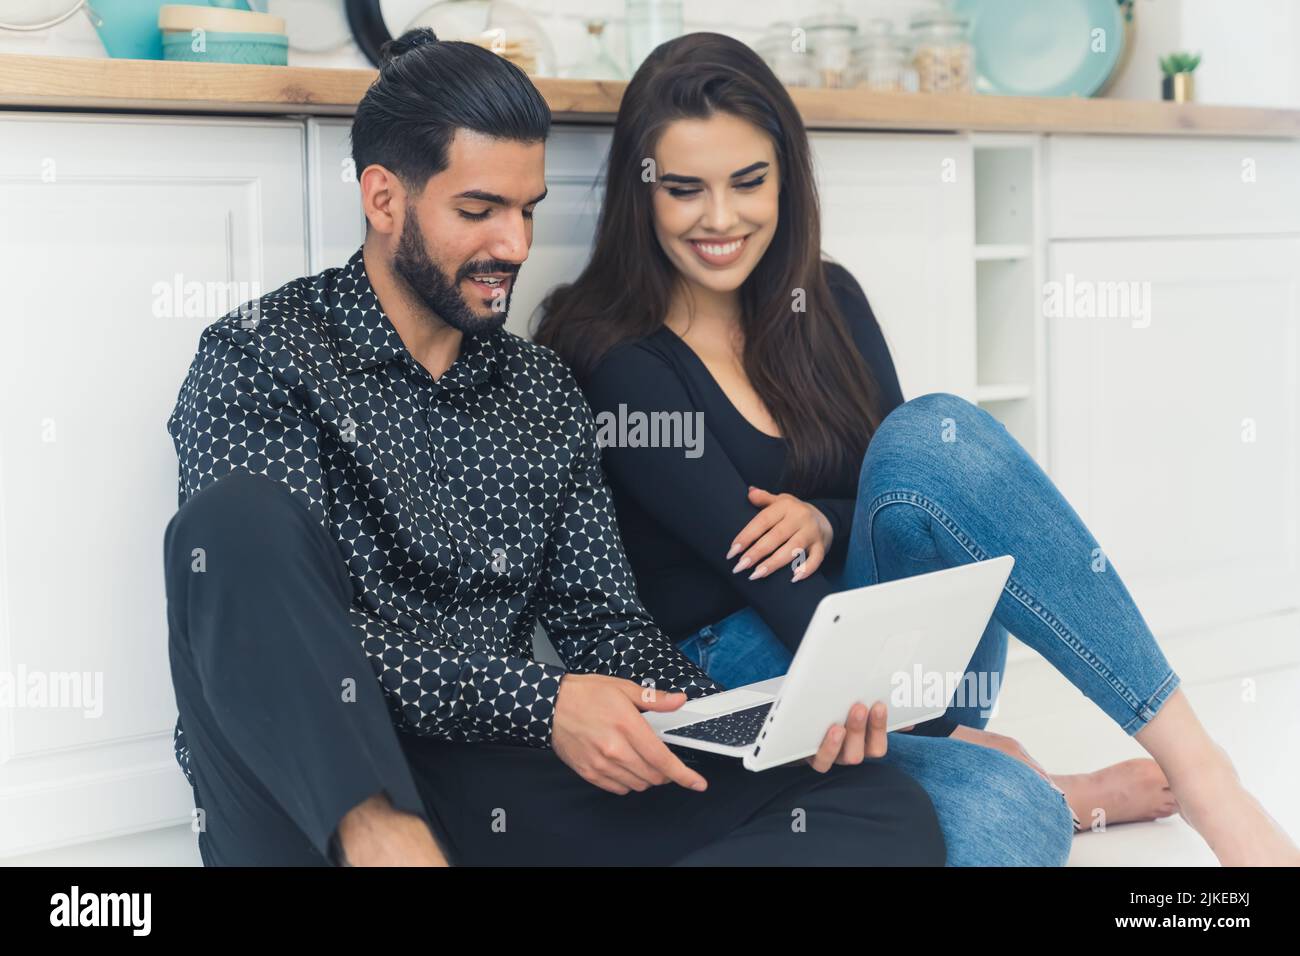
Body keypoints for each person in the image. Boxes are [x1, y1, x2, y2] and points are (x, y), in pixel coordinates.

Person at [161, 28, 948, 867]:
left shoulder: (540, 389)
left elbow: (602, 622)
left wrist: (752, 727)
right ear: (384, 199)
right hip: (311, 790)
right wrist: (544, 703)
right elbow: (272, 627)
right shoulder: (262, 352)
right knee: (229, 525)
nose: (516, 247)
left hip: (497, 784)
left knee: (873, 804)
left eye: (527, 210)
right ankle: (388, 842)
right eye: (479, 211)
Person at [534, 32, 1300, 866]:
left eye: (748, 182)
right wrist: (932, 717)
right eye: (684, 190)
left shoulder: (826, 298)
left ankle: (1204, 777)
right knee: (1010, 821)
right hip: (745, 678)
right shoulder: (615, 355)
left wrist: (828, 522)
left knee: (937, 435)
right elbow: (754, 572)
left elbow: (907, 490)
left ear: (785, 178)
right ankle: (1033, 785)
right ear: (640, 195)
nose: (721, 219)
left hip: (893, 648)